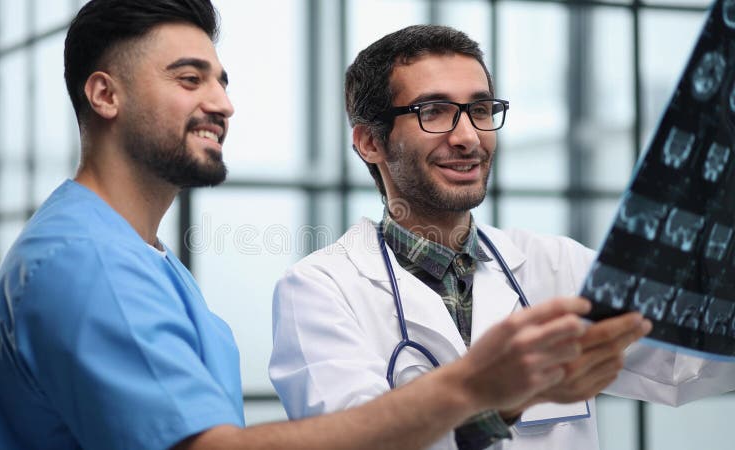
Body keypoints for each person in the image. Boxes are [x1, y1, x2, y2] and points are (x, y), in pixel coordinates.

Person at [0, 2, 645, 450]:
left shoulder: (137, 257)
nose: (223, 103)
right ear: (105, 94)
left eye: (222, 80)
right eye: (190, 79)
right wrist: (476, 389)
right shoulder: (89, 263)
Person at [268, 24, 735, 450]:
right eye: (434, 112)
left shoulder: (559, 266)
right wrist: (494, 402)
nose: (469, 137)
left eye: (480, 110)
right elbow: (352, 441)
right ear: (370, 142)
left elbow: (689, 362)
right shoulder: (319, 290)